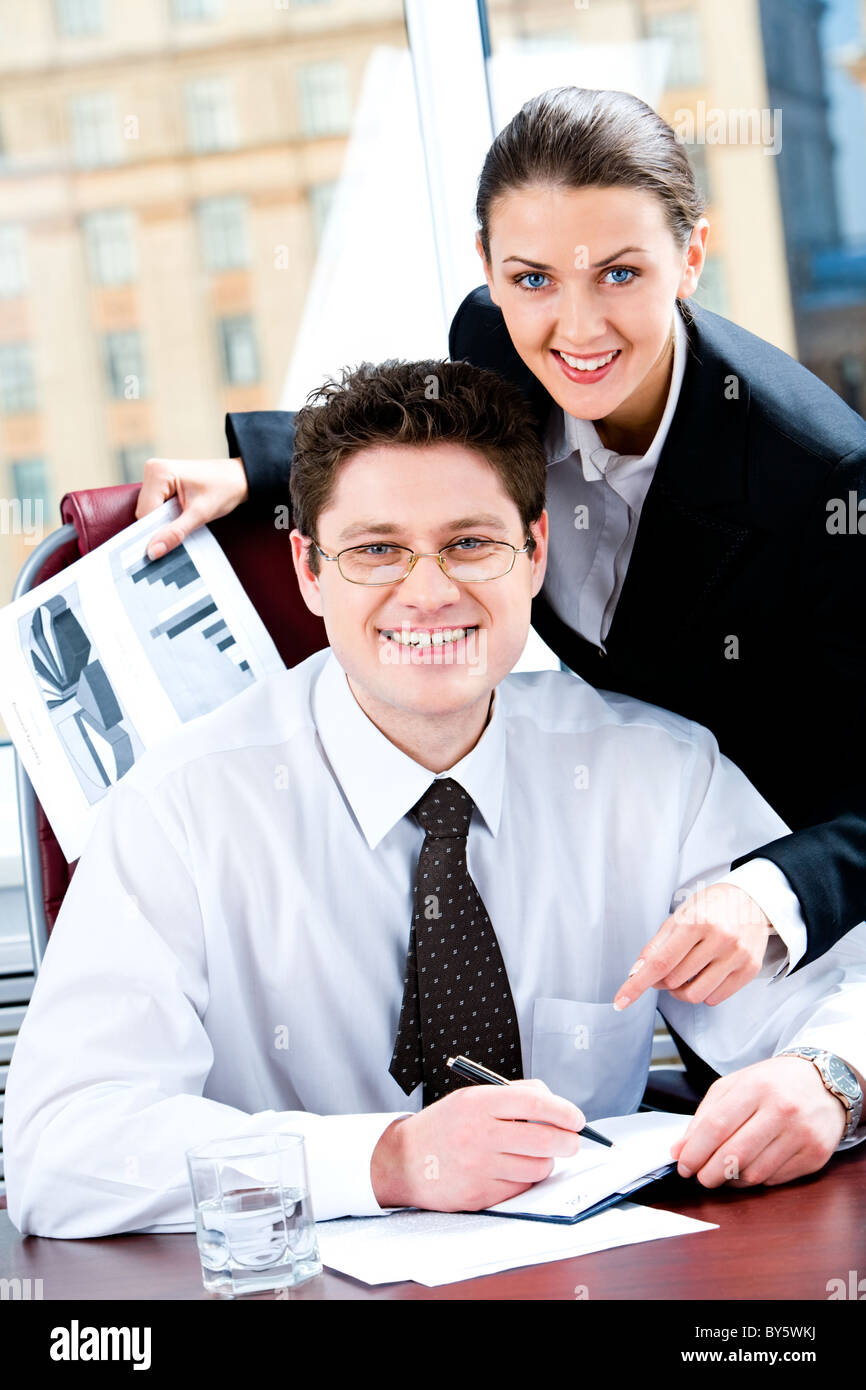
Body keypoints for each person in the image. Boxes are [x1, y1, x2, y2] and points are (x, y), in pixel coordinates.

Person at [4, 359, 863, 1239]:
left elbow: (840, 993)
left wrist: (828, 1078)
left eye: (470, 543)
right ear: (309, 570)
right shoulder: (179, 811)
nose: (427, 589)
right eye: (376, 549)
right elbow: (59, 1150)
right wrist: (387, 1161)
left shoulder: (656, 774)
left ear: (534, 553)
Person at [133, 87, 866, 1035]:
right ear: (487, 268)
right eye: (533, 280)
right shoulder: (493, 338)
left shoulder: (823, 477)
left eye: (619, 274)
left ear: (690, 258)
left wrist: (775, 890)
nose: (577, 329)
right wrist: (261, 468)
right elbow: (446, 431)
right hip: (623, 870)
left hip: (793, 905)